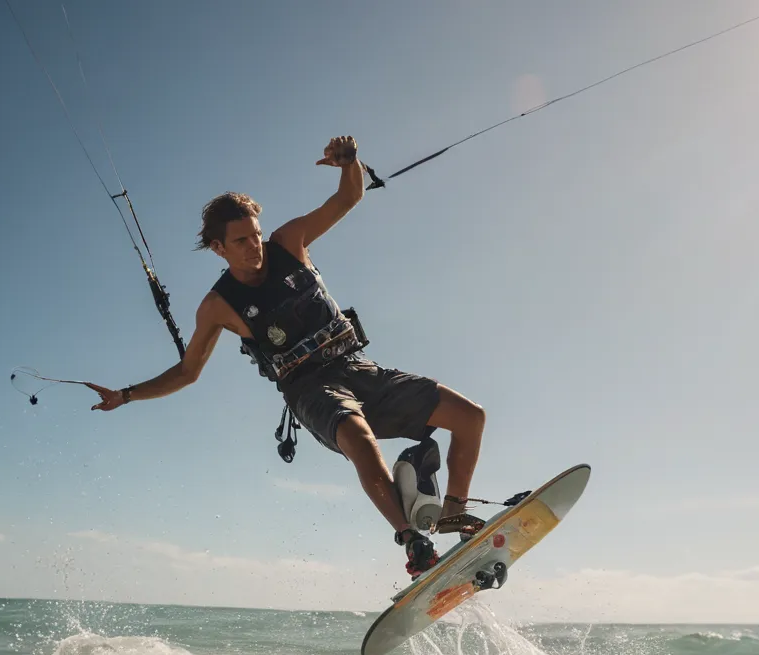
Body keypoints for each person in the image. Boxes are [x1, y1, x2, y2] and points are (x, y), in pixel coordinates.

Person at [86, 135, 486, 577]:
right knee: (358, 439)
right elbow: (187, 372)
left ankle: (452, 516)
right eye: (240, 241)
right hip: (309, 389)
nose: (253, 247)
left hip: (357, 367)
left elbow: (350, 195)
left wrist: (350, 161)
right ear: (218, 248)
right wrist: (125, 395)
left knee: (470, 417)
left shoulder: (289, 241)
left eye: (254, 236)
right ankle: (412, 541)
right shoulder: (219, 305)